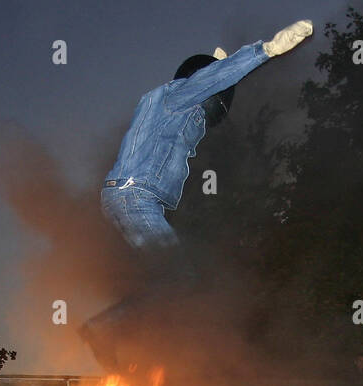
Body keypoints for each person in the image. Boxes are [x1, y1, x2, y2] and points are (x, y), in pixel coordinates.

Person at [101, 20, 312, 251]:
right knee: (176, 271)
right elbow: (211, 80)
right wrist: (267, 50)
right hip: (135, 196)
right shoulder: (178, 97)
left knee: (158, 273)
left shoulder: (160, 105)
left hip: (120, 197)